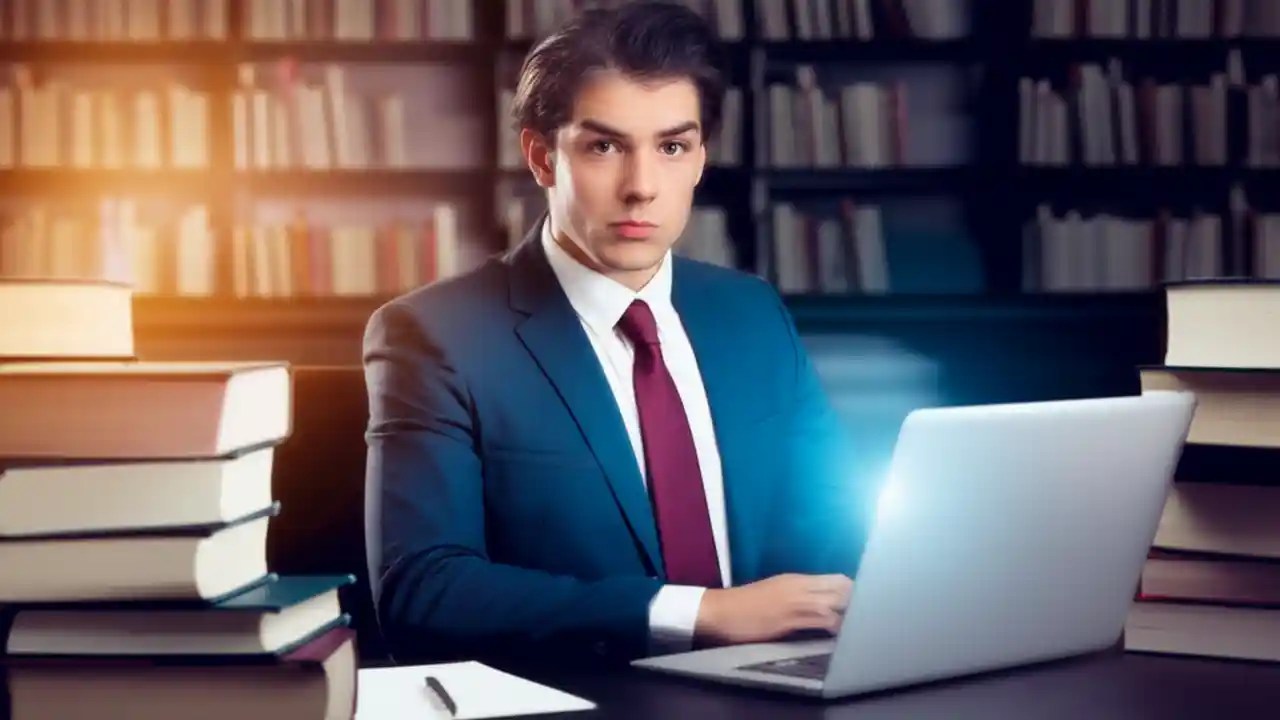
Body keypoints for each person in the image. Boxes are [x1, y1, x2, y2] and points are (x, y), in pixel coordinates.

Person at [362, 0, 863, 668]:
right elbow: (424, 591)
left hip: (776, 688)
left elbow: (831, 527)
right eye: (604, 147)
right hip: (581, 699)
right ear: (542, 158)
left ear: (700, 159)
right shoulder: (436, 336)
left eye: (671, 147)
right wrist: (700, 614)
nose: (642, 187)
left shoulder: (752, 314)